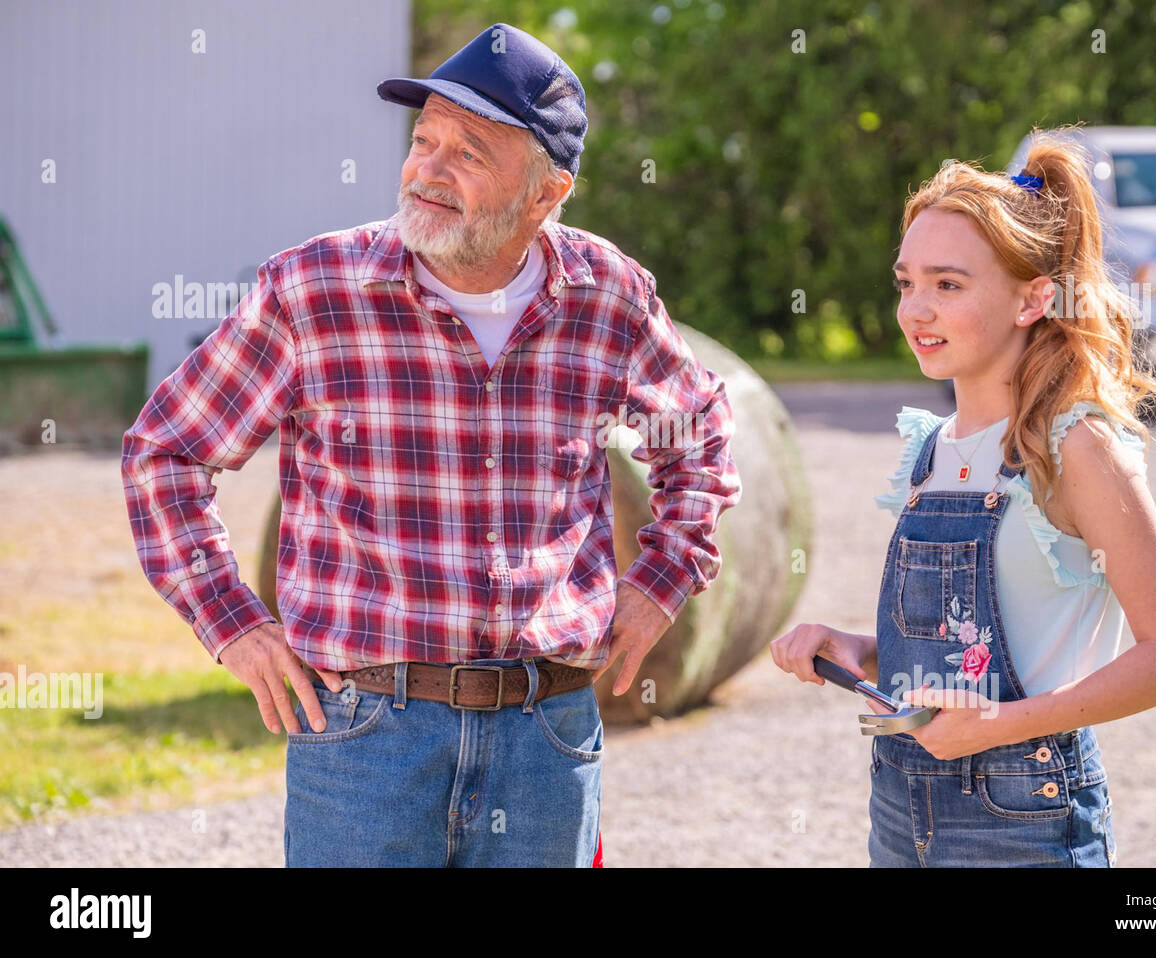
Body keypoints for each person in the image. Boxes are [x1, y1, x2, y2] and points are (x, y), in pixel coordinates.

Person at [121, 22, 741, 867]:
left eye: (471, 153)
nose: (428, 170)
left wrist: (663, 580)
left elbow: (699, 433)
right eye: (424, 140)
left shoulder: (611, 297)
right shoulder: (312, 292)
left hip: (548, 738)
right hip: (365, 738)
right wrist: (233, 624)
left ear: (546, 193)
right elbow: (166, 452)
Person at [769, 127, 1156, 867]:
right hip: (901, 807)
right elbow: (969, 651)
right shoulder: (930, 449)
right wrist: (862, 652)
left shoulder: (1079, 446)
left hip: (1023, 819)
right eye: (907, 282)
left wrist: (1002, 726)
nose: (916, 310)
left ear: (1034, 297)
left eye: (949, 284)